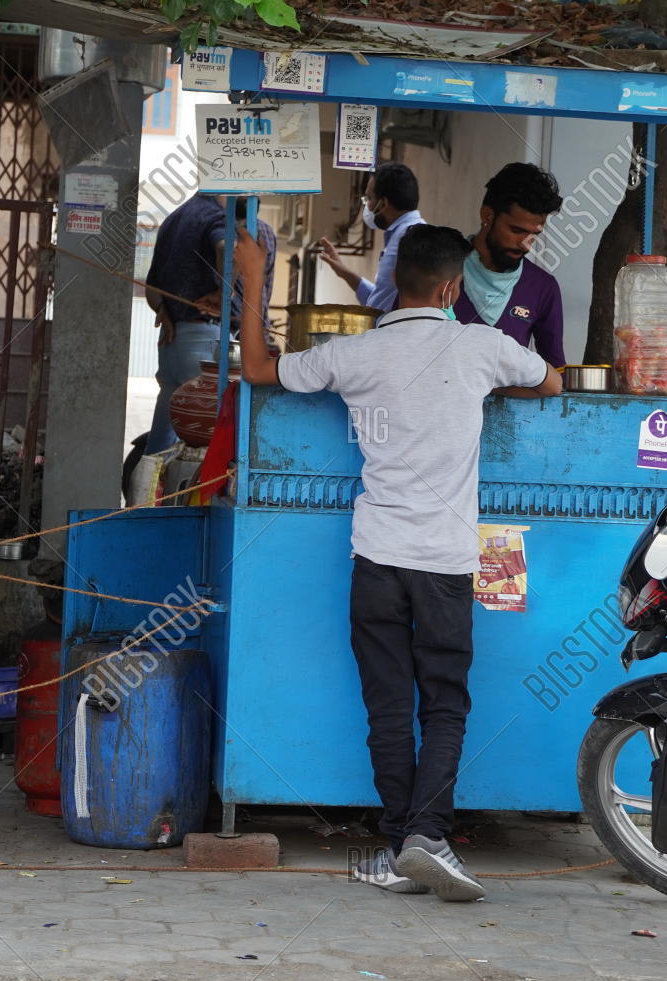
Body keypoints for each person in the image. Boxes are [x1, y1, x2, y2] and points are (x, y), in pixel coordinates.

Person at [233, 222, 563, 901]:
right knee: (444, 704)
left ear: (395, 284)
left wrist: (252, 277)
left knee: (387, 705)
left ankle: (398, 845)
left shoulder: (354, 354)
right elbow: (552, 381)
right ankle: (427, 837)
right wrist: (491, 383)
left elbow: (260, 370)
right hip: (442, 563)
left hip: (376, 557)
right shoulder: (479, 347)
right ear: (450, 288)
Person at [143, 194, 276, 453]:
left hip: (174, 342)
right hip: (207, 346)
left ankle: (148, 493)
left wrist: (163, 310)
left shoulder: (174, 219)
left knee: (160, 446)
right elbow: (229, 250)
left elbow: (152, 287)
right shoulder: (216, 218)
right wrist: (224, 292)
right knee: (210, 450)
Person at [454, 162, 566, 368]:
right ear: (487, 215)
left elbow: (555, 371)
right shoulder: (437, 269)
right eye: (516, 230)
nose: (525, 245)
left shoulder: (542, 287)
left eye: (534, 235)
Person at [317, 162, 425, 313]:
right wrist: (345, 273)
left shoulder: (412, 239)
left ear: (383, 204)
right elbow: (382, 300)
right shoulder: (401, 236)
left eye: (368, 199)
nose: (366, 206)